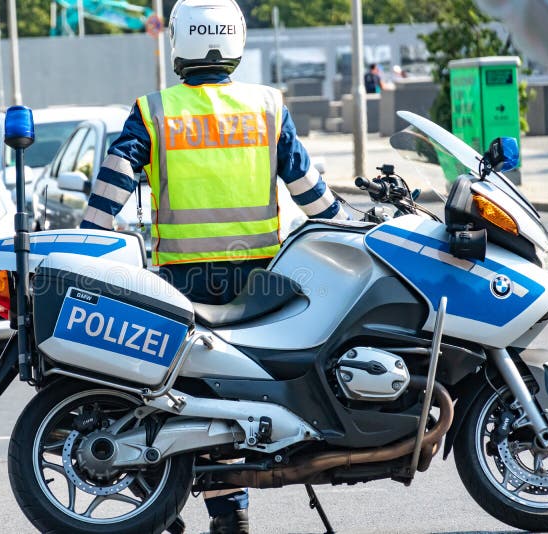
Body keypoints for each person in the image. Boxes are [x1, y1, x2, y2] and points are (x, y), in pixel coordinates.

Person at [79, 1, 348, 532]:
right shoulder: (267, 106)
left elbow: (116, 175)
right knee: (242, 397)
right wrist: (347, 224)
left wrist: (87, 238)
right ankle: (233, 512)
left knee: (183, 399)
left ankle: (179, 506)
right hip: (259, 279)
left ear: (179, 41)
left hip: (182, 277)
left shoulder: (156, 109)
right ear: (236, 40)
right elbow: (310, 191)